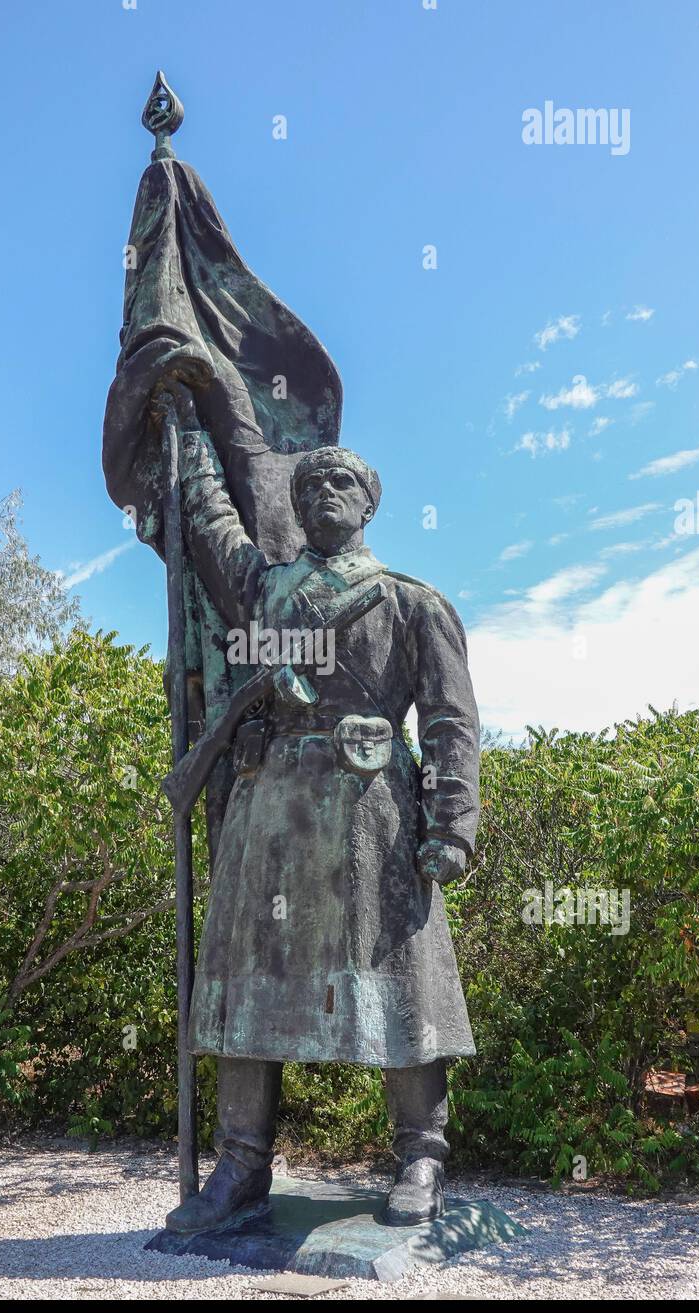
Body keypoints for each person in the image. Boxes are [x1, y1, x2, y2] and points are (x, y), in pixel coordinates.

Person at [163, 383, 481, 1234]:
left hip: (372, 814)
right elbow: (209, 522)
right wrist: (187, 434)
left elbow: (451, 721)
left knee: (400, 987)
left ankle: (420, 1155)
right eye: (308, 489)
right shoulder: (264, 592)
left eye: (339, 484)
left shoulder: (413, 605)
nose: (322, 496)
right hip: (268, 815)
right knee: (244, 986)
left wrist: (451, 827)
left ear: (368, 503)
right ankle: (240, 1167)